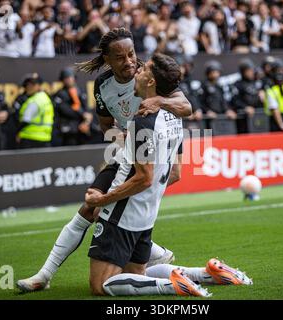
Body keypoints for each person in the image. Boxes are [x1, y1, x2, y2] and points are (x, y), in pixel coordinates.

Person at [16, 28, 192, 292]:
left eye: (131, 54)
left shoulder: (150, 76)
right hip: (127, 152)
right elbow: (105, 125)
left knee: (107, 206)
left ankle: (156, 253)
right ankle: (44, 275)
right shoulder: (103, 86)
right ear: (108, 60)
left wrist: (159, 102)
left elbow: (187, 107)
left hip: (155, 145)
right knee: (91, 206)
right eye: (120, 57)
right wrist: (119, 137)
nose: (129, 62)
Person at [85, 53, 252, 297]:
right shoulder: (172, 116)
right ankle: (207, 274)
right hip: (147, 213)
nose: (137, 72)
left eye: (143, 70)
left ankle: (171, 285)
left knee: (100, 285)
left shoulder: (142, 121)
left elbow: (144, 177)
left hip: (122, 213)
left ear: (151, 82)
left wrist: (103, 200)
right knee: (137, 274)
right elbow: (175, 172)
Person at [53, 67, 94, 146]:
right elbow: (65, 110)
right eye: (66, 78)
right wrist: (82, 114)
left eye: (70, 77)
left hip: (83, 129)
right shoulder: (60, 94)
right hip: (69, 130)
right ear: (62, 80)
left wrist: (86, 122)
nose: (69, 80)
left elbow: (87, 108)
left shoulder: (80, 91)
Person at [17, 73, 54, 149]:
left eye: (31, 85)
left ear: (38, 86)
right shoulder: (45, 97)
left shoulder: (34, 101)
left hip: (30, 138)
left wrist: (18, 132)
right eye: (27, 85)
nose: (28, 87)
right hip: (45, 137)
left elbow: (26, 120)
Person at [232, 58, 264, 133]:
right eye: (249, 71)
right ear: (243, 72)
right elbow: (235, 100)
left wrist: (263, 93)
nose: (252, 72)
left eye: (252, 70)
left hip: (258, 116)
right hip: (244, 118)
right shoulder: (238, 84)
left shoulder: (257, 83)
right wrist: (245, 107)